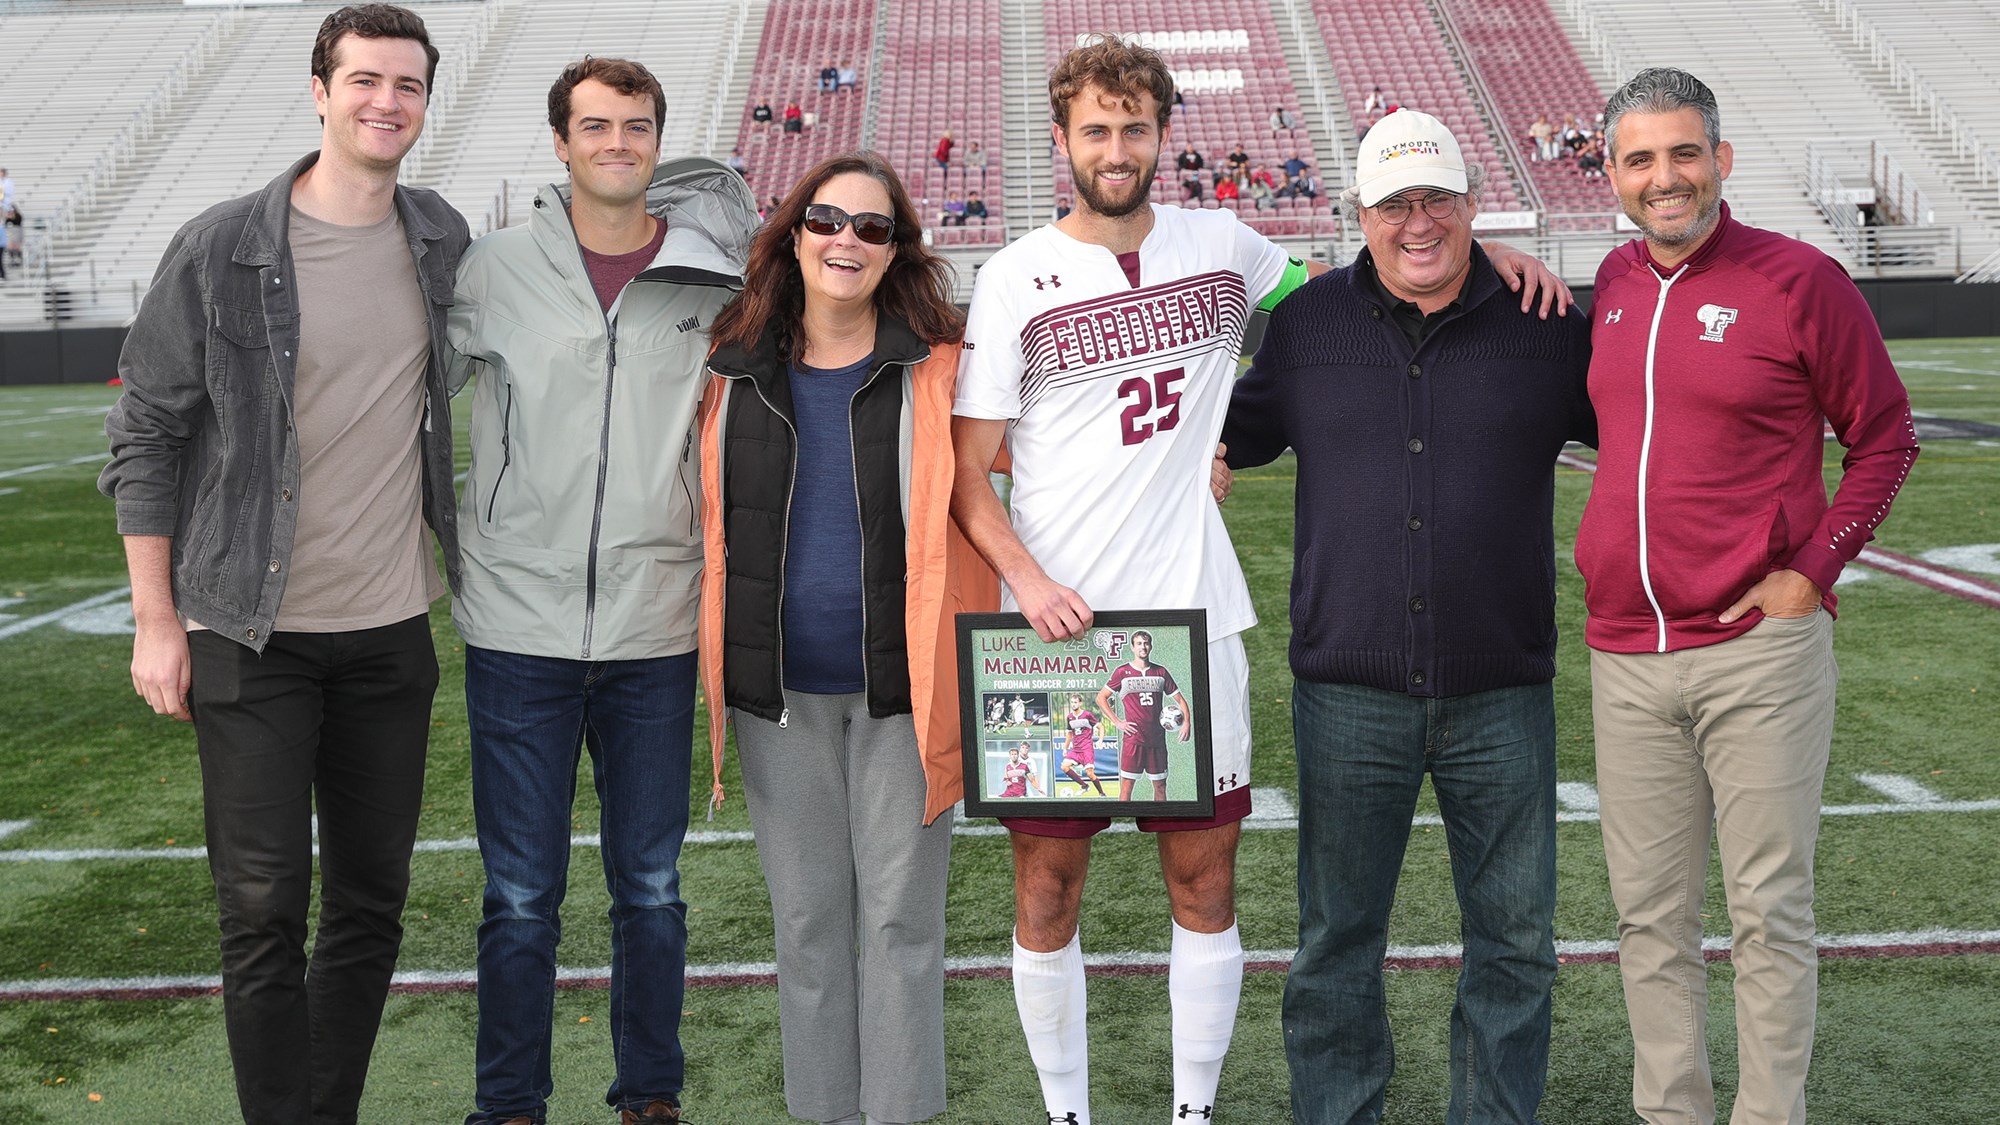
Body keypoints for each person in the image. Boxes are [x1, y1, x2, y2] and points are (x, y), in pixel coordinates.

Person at [950, 36, 1571, 1125]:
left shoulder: (1223, 243)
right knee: (1044, 892)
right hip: (1048, 633)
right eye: (1093, 129)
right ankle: (1065, 1114)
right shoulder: (1011, 277)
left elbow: (1347, 290)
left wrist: (1501, 262)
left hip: (1191, 621)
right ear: (1060, 141)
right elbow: (965, 471)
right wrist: (1025, 577)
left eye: (1133, 126)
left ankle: (1192, 1114)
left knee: (1206, 884)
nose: (1114, 146)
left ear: (1160, 137)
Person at [97, 7, 467, 1122]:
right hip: (245, 631)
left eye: (405, 85)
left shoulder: (440, 235)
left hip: (390, 633)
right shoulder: (221, 247)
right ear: (319, 90)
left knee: (370, 903)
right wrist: (155, 620)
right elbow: (146, 433)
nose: (384, 102)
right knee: (259, 909)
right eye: (363, 80)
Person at [1223, 108, 1596, 1125]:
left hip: (1502, 689)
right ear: (1359, 212)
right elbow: (1224, 435)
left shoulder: (1548, 319)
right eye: (1393, 203)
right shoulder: (1305, 325)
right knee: (1336, 939)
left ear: (1474, 206)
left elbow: (1658, 416)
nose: (1416, 221)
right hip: (1346, 692)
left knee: (1515, 943)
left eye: (1437, 198)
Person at [1580, 68, 1919, 1125]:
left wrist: (1807, 574)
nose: (1663, 176)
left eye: (1682, 153)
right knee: (1647, 920)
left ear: (1719, 160)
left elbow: (1884, 440)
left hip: (1754, 650)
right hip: (1623, 654)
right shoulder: (1610, 281)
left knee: (1766, 911)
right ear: (1611, 176)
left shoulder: (1797, 281)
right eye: (1639, 159)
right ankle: (1669, 1114)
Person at [445, 56, 760, 1125]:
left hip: (657, 621)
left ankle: (649, 1096)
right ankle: (509, 1104)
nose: (615, 141)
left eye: (635, 124)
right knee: (520, 898)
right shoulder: (491, 268)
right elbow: (399, 395)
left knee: (652, 891)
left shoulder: (715, 278)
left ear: (657, 140)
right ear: (560, 141)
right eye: (594, 124)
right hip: (514, 622)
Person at [697, 150, 997, 1125]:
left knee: (901, 922)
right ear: (790, 234)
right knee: (809, 926)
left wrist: (1202, 455)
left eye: (871, 228)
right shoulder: (730, 364)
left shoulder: (942, 365)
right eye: (826, 220)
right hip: (777, 699)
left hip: (904, 696)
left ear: (896, 250)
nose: (845, 241)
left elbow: (1038, 464)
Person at [1096, 630, 1192, 803]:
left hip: (1156, 739)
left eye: (1146, 643)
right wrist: (1117, 722)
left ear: (1151, 646)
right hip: (1134, 739)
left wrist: (1187, 724)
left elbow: (1180, 700)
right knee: (1127, 786)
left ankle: (1160, 821)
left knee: (1160, 785)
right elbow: (1101, 697)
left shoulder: (1161, 672)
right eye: (1139, 643)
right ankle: (1122, 823)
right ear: (1133, 647)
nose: (1143, 646)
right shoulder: (1122, 672)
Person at [1060, 693, 1108, 796]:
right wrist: (1065, 748)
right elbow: (1069, 734)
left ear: (1080, 703)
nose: (1073, 704)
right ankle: (1084, 786)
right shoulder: (1069, 717)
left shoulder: (1087, 715)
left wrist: (1100, 740)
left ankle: (1101, 793)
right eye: (1072, 702)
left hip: (1086, 749)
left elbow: (1101, 726)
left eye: (1076, 702)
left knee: (1090, 774)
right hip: (1076, 749)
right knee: (1064, 766)